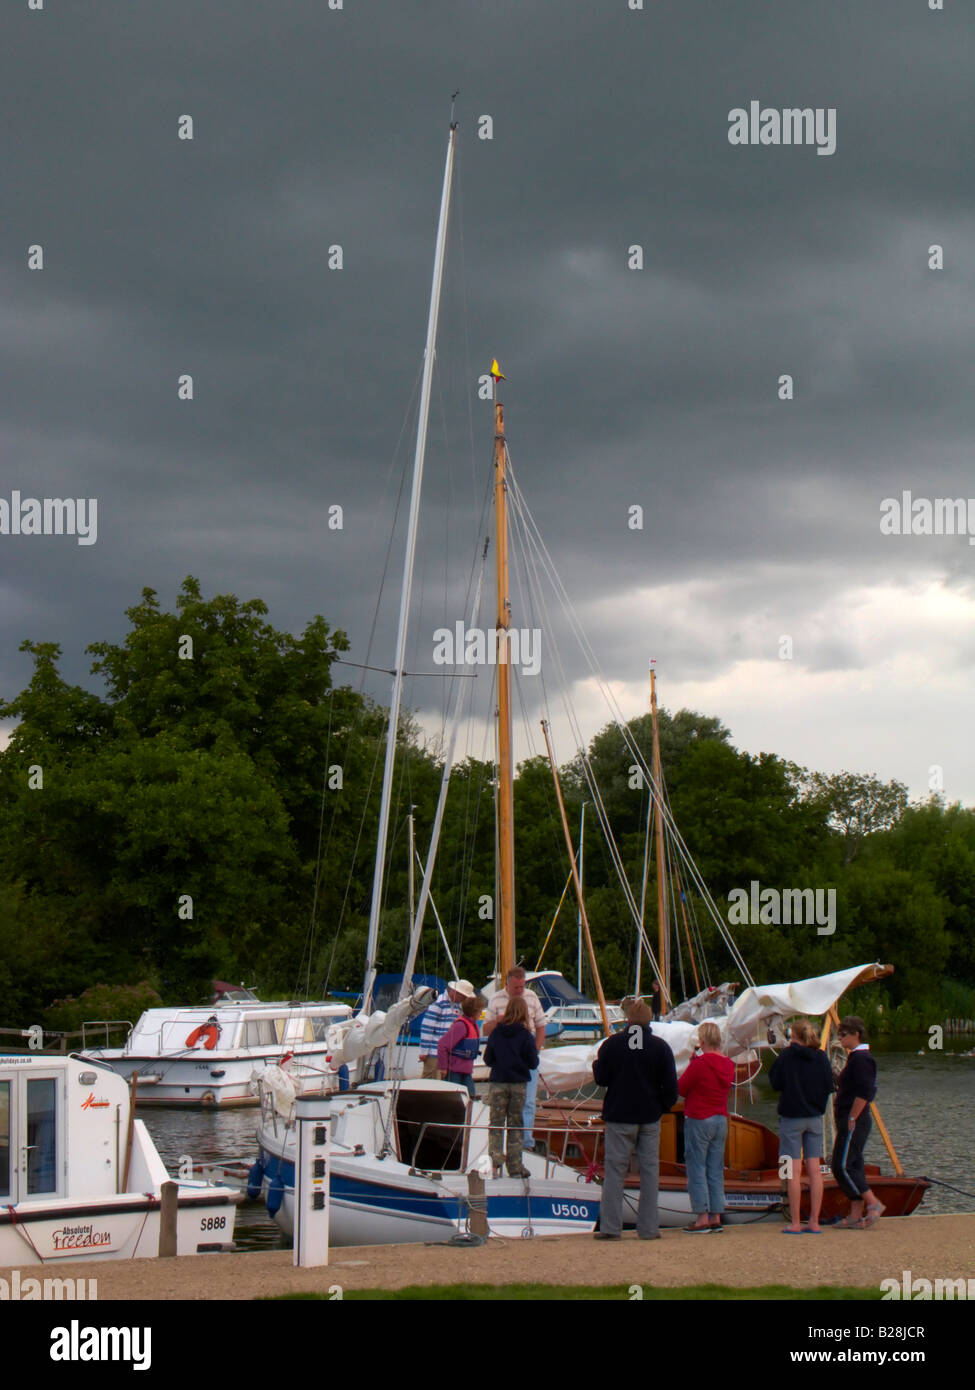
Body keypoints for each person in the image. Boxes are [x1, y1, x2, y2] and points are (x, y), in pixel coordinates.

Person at [591, 997, 678, 1240]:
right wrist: (662, 1106)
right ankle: (649, 1228)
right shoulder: (660, 1048)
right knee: (650, 1172)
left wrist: (598, 1065)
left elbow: (601, 1078)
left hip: (620, 1115)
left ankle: (610, 1227)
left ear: (628, 1020)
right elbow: (671, 1086)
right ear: (649, 1021)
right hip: (649, 1116)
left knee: (615, 1171)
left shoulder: (613, 1044)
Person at [768, 1017, 834, 1233]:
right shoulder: (821, 1057)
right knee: (815, 1170)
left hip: (791, 1117)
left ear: (792, 1037)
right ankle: (814, 1221)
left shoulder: (787, 1056)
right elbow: (829, 1085)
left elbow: (775, 1082)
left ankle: (795, 1222)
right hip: (814, 1117)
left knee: (793, 1171)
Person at [678, 1019, 735, 1233]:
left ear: (703, 1041)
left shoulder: (700, 1065)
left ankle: (701, 1216)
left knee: (697, 1168)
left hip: (699, 1118)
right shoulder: (728, 1065)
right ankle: (716, 1214)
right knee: (715, 1168)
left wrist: (693, 1063)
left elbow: (682, 1088)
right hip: (720, 1119)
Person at [830, 1015, 885, 1227]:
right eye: (839, 1034)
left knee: (841, 1165)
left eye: (844, 1034)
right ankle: (855, 1215)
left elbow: (865, 1091)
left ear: (857, 1035)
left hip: (854, 1120)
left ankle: (873, 1203)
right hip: (850, 1119)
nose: (840, 1038)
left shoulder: (862, 1059)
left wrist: (852, 1116)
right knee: (854, 1164)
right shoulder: (856, 1058)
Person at [483, 966, 546, 1148]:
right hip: (503, 1046)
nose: (519, 991)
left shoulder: (531, 997)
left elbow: (541, 1025)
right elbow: (486, 1030)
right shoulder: (496, 999)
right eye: (516, 987)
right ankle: (499, 1149)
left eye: (522, 987)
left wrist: (536, 1049)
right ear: (507, 984)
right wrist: (500, 1021)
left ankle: (525, 1143)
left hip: (527, 1045)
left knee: (528, 1101)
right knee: (500, 1109)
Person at [483, 995, 539, 1176]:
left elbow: (487, 1059)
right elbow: (533, 1063)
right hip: (518, 1085)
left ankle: (494, 1163)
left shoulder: (496, 1033)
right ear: (524, 1013)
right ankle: (515, 1167)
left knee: (496, 1124)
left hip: (498, 1082)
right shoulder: (526, 1036)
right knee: (515, 1125)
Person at [418, 979, 475, 1079]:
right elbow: (427, 1026)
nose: (464, 999)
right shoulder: (438, 1002)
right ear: (456, 993)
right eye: (464, 997)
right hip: (434, 1053)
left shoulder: (457, 1005)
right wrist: (424, 1051)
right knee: (431, 1082)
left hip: (447, 1053)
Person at [437, 993, 483, 1097]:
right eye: (480, 1011)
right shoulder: (461, 1026)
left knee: (470, 1097)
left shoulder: (472, 1025)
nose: (481, 1014)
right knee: (453, 1099)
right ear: (474, 1012)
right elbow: (442, 1044)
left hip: (466, 1072)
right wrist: (443, 1067)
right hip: (454, 1072)